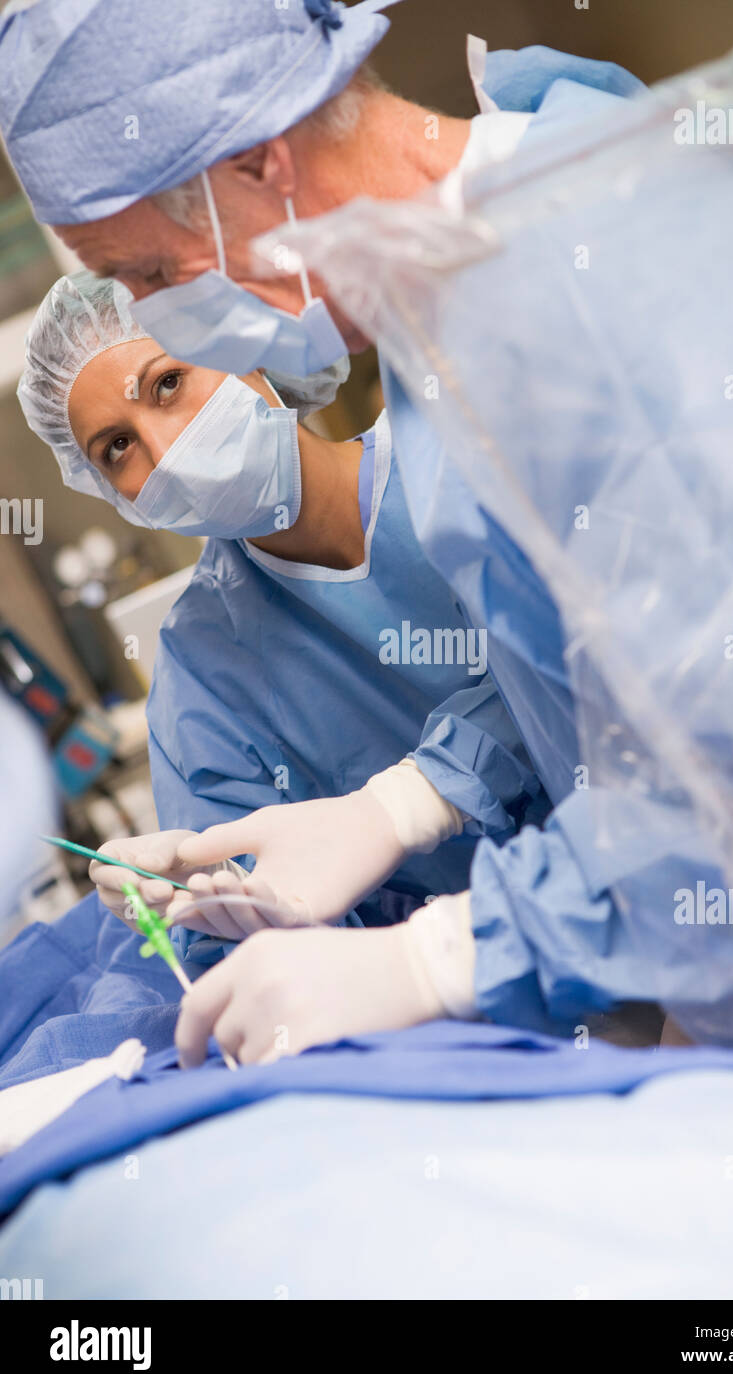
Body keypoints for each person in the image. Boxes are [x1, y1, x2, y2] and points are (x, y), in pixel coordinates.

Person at [3, 0, 733, 1064]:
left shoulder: (592, 265)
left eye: (152, 277)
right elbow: (611, 687)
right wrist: (405, 803)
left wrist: (443, 955)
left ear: (259, 167)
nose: (155, 315)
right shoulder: (448, 329)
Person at [18, 271, 549, 970]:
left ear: (246, 346)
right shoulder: (203, 666)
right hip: (481, 993)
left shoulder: (461, 460)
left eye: (167, 384)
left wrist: (411, 800)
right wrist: (214, 903)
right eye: (116, 447)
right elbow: (264, 958)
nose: (162, 445)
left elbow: (592, 661)